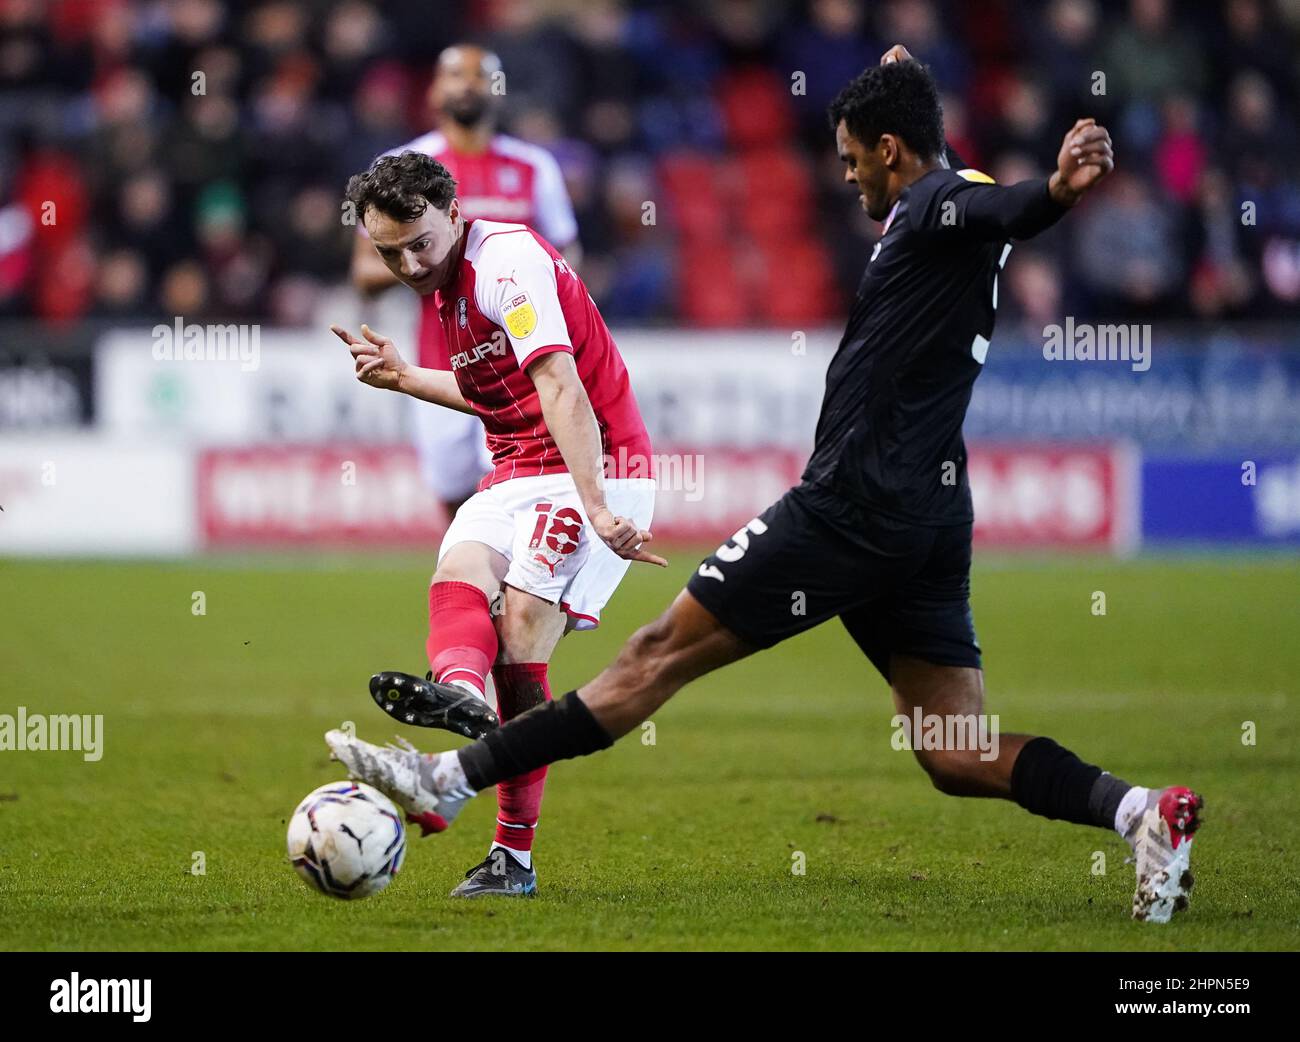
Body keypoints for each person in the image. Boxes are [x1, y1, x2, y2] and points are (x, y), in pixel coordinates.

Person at [328, 48, 1202, 923]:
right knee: (954, 750)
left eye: (855, 155)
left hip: (851, 504)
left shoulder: (939, 201)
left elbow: (999, 204)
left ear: (892, 151)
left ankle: (442, 777)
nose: (848, 173)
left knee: (651, 660)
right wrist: (912, 80)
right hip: (931, 512)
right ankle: (1140, 813)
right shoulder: (940, 192)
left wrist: (1054, 192)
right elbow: (969, 184)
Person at [333, 149, 659, 896]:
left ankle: (511, 854)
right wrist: (405, 376)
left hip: (594, 464)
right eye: (390, 252)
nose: (410, 263)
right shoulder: (446, 286)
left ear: (454, 212)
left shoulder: (506, 261)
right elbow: (499, 391)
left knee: (519, 638)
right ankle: (462, 699)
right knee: (457, 573)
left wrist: (600, 505)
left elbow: (558, 382)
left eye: (420, 241)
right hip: (516, 467)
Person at [351, 44, 580, 518]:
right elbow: (365, 272)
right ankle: (478, 585)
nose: (468, 85)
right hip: (440, 362)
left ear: (498, 92)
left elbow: (567, 261)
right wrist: (437, 258)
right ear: (435, 90)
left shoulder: (535, 167)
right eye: (456, 75)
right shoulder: (405, 166)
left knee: (513, 493)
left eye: (481, 76)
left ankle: (518, 590)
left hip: (520, 366)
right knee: (455, 496)